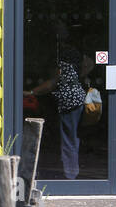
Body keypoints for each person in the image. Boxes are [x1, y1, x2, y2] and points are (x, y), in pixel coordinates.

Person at [27, 24, 84, 179]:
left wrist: (32, 91)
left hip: (68, 101)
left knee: (68, 138)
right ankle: (71, 171)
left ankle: (70, 175)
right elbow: (89, 62)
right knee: (72, 136)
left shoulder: (59, 54)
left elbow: (52, 82)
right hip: (77, 98)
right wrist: (77, 78)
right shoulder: (73, 51)